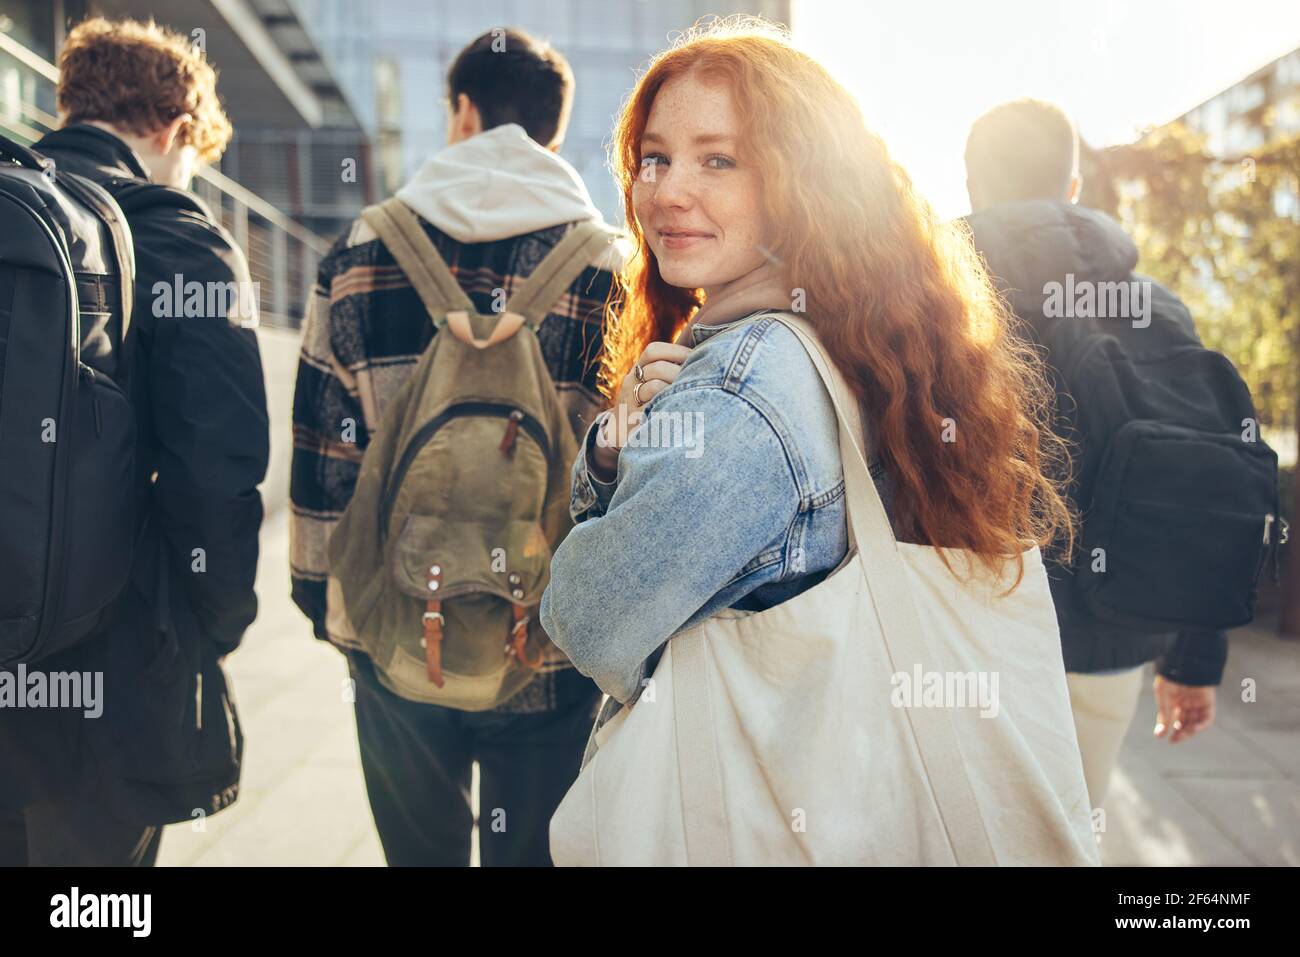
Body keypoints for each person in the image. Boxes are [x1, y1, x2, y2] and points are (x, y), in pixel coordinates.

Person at [538, 17, 1085, 849]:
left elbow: (587, 617)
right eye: (655, 157)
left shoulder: (746, 382)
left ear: (802, 182)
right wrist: (624, 445)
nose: (667, 190)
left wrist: (607, 477)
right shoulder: (853, 335)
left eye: (718, 159)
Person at [289, 28, 617, 866]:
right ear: (551, 128)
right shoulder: (608, 265)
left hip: (398, 628)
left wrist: (323, 595)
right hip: (544, 642)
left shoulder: (364, 247)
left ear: (463, 112)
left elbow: (323, 445)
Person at [0, 17, 268, 866]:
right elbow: (217, 471)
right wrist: (215, 623)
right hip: (109, 672)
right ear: (176, 129)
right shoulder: (182, 238)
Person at [962, 98, 1224, 807]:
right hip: (1110, 636)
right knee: (1073, 834)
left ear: (971, 189)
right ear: (1072, 190)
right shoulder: (1156, 307)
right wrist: (1194, 656)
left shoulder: (930, 302)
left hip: (959, 638)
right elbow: (1199, 481)